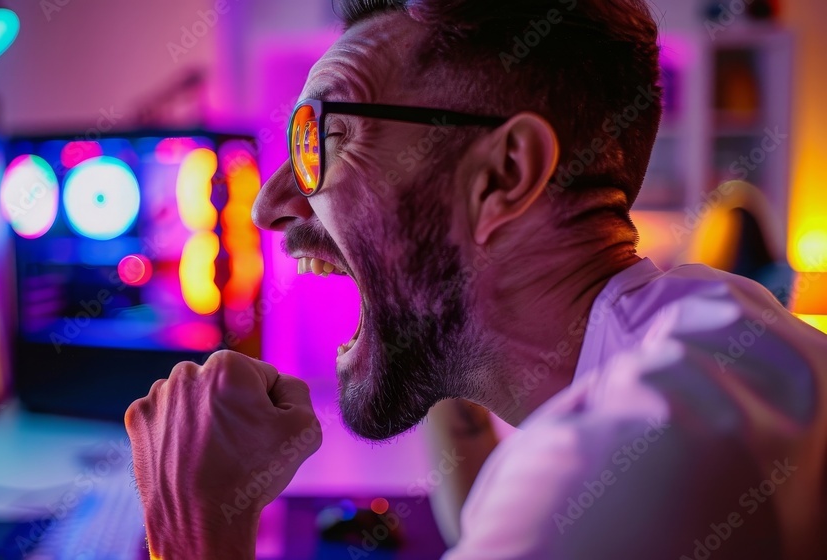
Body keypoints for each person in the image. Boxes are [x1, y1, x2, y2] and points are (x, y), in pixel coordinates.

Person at [124, 1, 827, 558]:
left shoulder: (625, 466)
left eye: (322, 141)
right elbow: (480, 514)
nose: (268, 204)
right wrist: (415, 326)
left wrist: (191, 525)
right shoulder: (711, 320)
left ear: (504, 175)